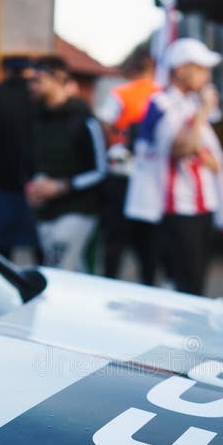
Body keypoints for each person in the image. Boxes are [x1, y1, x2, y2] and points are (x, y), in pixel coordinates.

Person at [124, 38, 223, 295]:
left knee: (196, 286)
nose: (207, 75)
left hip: (203, 207)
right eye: (201, 68)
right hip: (178, 211)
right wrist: (203, 114)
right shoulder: (162, 104)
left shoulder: (191, 104)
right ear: (181, 70)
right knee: (184, 288)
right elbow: (181, 148)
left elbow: (211, 159)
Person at [25, 55, 107, 272]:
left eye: (37, 79)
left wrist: (61, 186)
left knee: (57, 268)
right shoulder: (37, 118)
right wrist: (33, 187)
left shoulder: (83, 119)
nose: (31, 85)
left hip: (77, 208)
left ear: (57, 80)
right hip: (46, 210)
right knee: (74, 272)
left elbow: (100, 170)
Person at [96, 43, 160, 279]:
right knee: (148, 244)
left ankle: (111, 283)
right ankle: (149, 284)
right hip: (150, 176)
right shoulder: (162, 93)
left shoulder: (121, 93)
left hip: (122, 172)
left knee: (115, 241)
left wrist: (111, 143)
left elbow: (103, 121)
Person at [0, 56, 39, 258]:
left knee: (2, 246)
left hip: (2, 178)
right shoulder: (34, 97)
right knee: (39, 245)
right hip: (35, 179)